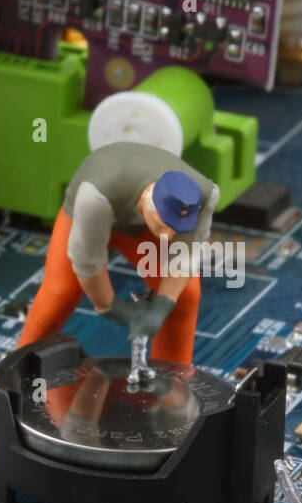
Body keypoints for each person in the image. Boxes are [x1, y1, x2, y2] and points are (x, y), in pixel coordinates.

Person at [19, 141, 220, 364]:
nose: (167, 237)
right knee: (60, 292)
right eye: (163, 226)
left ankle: (173, 387)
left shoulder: (204, 195)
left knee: (184, 296)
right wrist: (116, 308)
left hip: (140, 226)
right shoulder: (94, 197)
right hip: (89, 217)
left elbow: (188, 251)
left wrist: (164, 304)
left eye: (175, 229)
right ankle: (20, 369)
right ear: (146, 199)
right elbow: (87, 262)